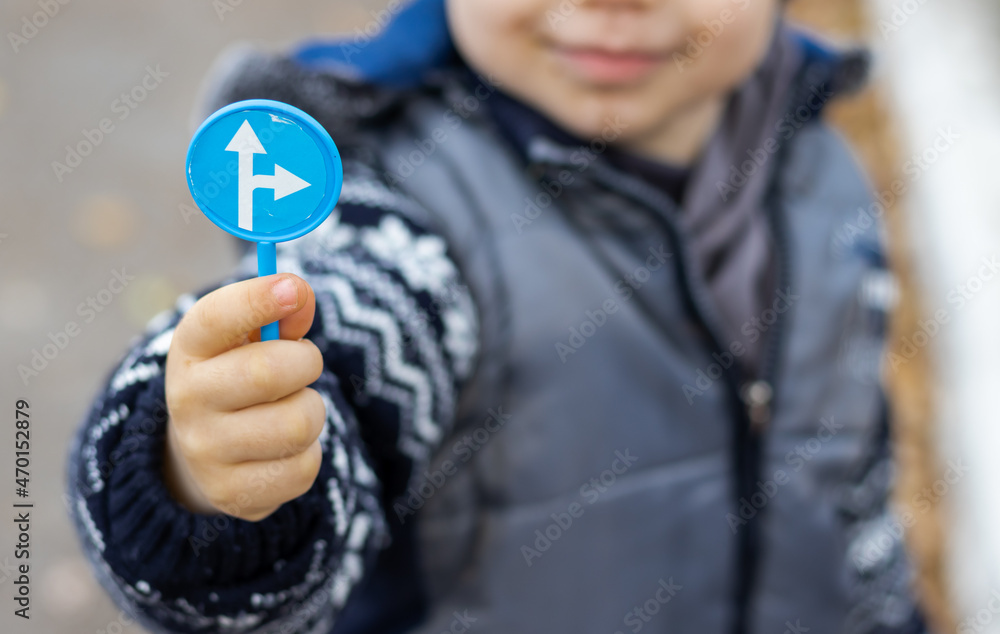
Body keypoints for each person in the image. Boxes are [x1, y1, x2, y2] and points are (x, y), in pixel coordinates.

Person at [67, 0, 927, 632]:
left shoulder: (825, 175)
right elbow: (348, 350)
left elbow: (845, 479)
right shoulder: (402, 212)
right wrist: (206, 475)